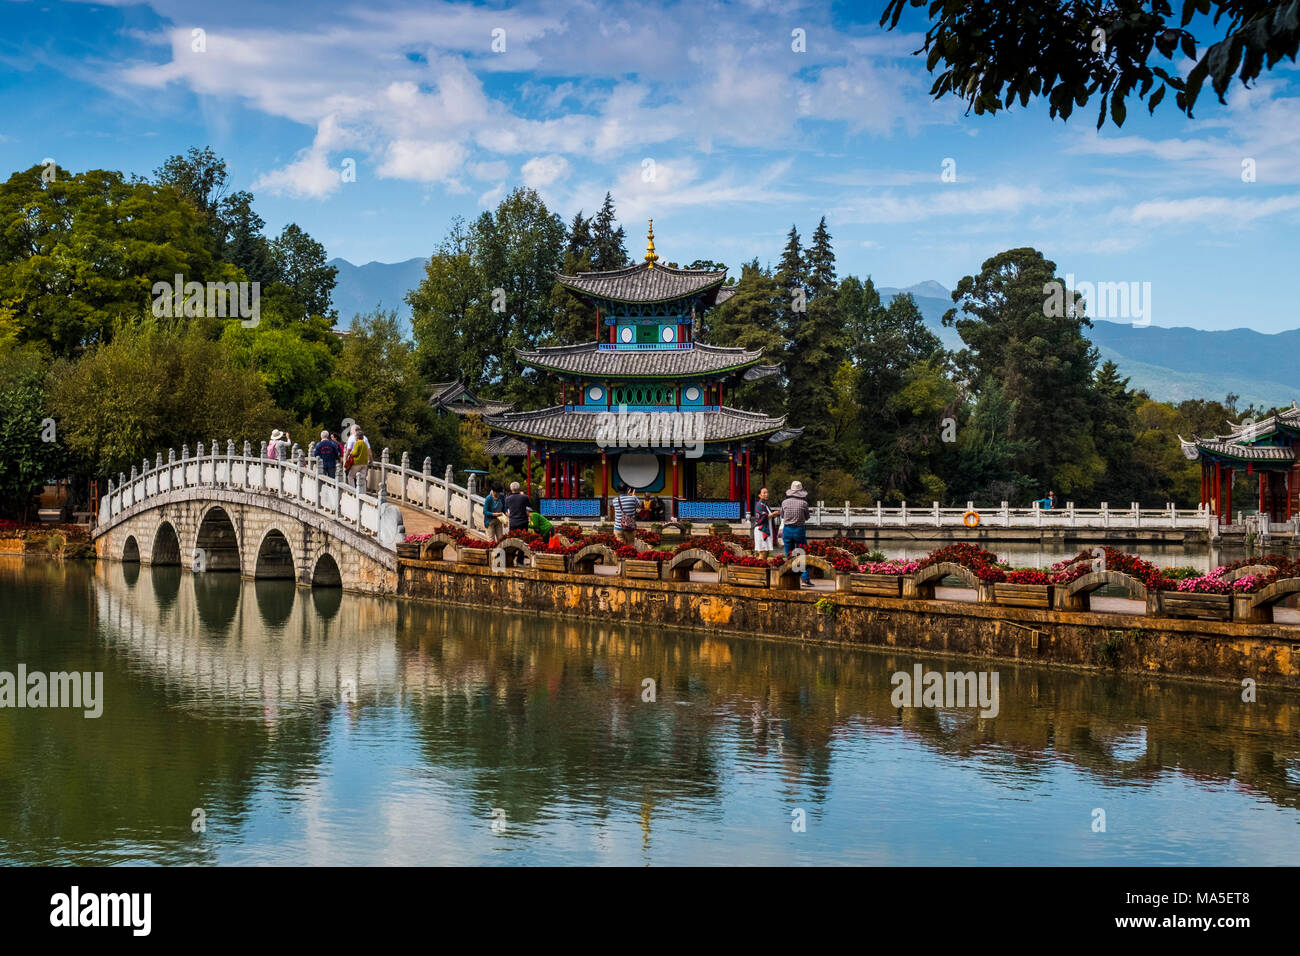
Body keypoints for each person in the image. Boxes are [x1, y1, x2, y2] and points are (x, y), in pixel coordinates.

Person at [780, 480, 813, 587]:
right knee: (802, 554)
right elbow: (807, 517)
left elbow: (782, 515)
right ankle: (805, 579)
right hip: (799, 529)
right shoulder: (804, 503)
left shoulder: (784, 502)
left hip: (787, 530)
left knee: (789, 555)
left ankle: (789, 578)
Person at [501, 481, 532, 565]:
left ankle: (510, 560)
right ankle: (520, 561)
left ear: (511, 489)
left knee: (513, 542)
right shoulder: (524, 497)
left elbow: (506, 510)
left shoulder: (507, 499)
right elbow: (529, 507)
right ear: (519, 488)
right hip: (523, 522)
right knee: (523, 542)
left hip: (513, 522)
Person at [348, 427, 372, 491]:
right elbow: (368, 453)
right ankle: (363, 492)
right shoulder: (365, 444)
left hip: (357, 463)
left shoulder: (358, 443)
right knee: (362, 478)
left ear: (357, 437)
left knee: (350, 476)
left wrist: (351, 453)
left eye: (355, 436)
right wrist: (371, 459)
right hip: (364, 463)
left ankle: (352, 491)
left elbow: (355, 453)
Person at [752, 487, 775, 553]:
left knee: (766, 552)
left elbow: (767, 516)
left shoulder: (765, 505)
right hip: (761, 530)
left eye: (767, 492)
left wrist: (774, 514)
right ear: (759, 495)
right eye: (764, 493)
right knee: (763, 552)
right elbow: (763, 517)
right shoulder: (759, 505)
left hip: (766, 529)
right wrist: (773, 514)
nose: (766, 494)